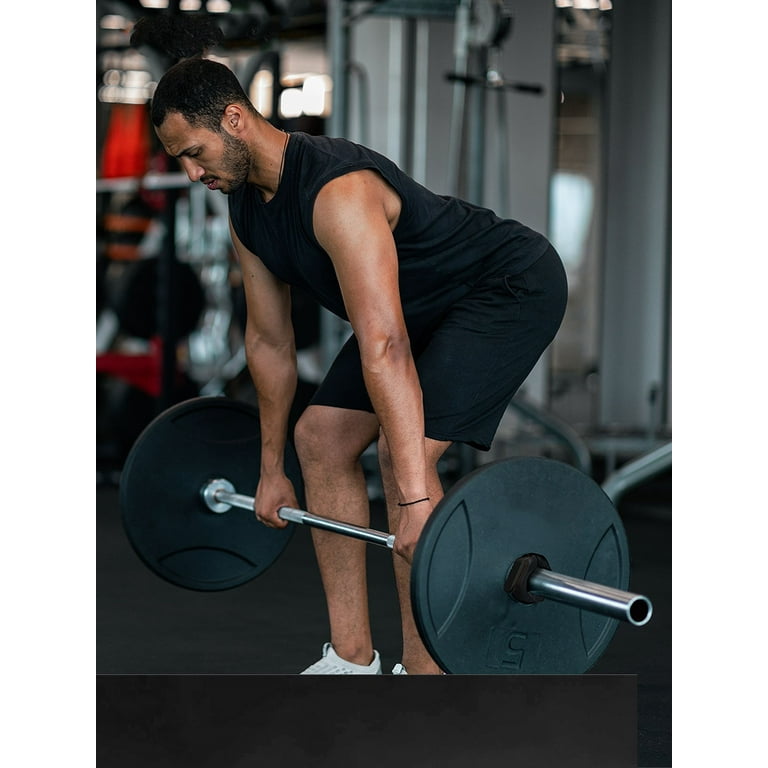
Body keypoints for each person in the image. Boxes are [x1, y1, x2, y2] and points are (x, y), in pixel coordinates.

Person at [149, 55, 568, 675]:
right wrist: (270, 469)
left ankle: (425, 677)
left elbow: (385, 345)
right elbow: (268, 342)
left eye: (194, 152)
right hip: (417, 310)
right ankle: (351, 661)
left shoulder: (336, 192)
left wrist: (417, 498)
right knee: (319, 439)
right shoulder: (247, 212)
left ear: (234, 119)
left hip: (503, 287)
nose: (191, 173)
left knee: (405, 455)